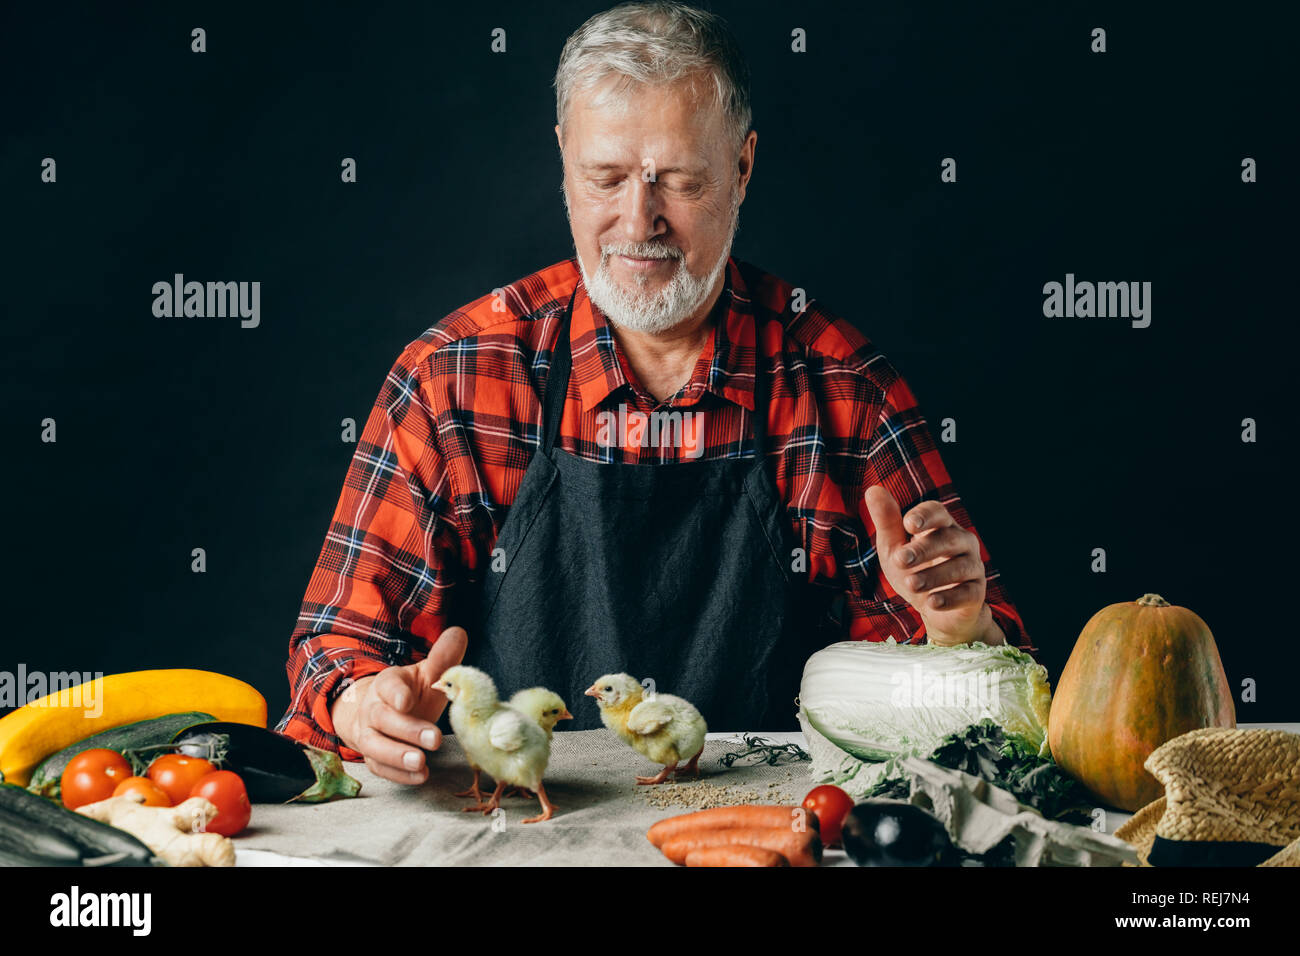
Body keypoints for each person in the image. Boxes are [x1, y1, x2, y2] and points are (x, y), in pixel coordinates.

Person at [276, 1, 1036, 785]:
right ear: (564, 158)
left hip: (775, 825)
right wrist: (362, 702)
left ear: (741, 168)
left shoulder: (845, 389)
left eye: (678, 181)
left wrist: (957, 630)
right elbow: (336, 649)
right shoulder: (454, 380)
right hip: (525, 827)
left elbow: (985, 701)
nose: (639, 223)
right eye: (605, 178)